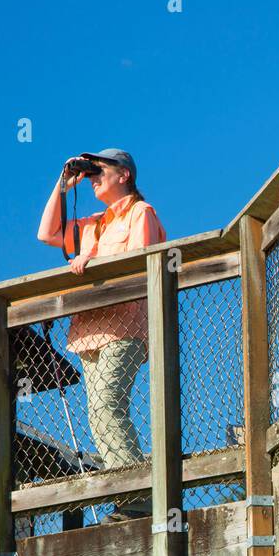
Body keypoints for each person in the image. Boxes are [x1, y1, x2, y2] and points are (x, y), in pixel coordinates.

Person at [36, 148, 165, 480]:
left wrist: (92, 266)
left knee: (108, 408)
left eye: (100, 171)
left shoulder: (141, 214)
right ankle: (127, 489)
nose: (93, 178)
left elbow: (140, 268)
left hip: (126, 328)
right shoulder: (93, 224)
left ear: (124, 175)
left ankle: (136, 490)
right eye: (90, 173)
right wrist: (63, 184)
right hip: (88, 333)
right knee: (98, 415)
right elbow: (47, 234)